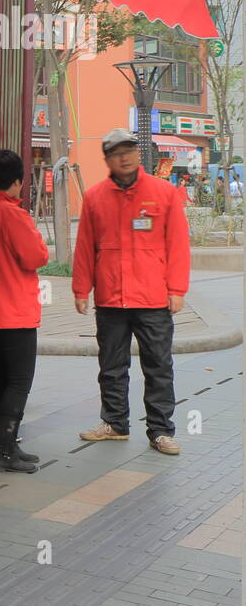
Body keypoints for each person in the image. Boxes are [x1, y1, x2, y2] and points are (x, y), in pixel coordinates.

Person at [74, 129, 190, 455]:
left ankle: (161, 431)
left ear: (138, 154)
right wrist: (81, 289)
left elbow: (178, 245)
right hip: (111, 298)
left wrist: (177, 288)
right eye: (116, 153)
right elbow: (85, 247)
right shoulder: (95, 197)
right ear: (107, 160)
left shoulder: (163, 193)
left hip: (153, 298)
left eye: (129, 150)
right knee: (111, 367)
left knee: (158, 367)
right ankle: (114, 423)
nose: (123, 157)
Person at [0, 149, 49, 473]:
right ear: (17, 182)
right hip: (14, 310)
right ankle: (3, 451)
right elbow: (36, 257)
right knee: (18, 381)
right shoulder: (12, 214)